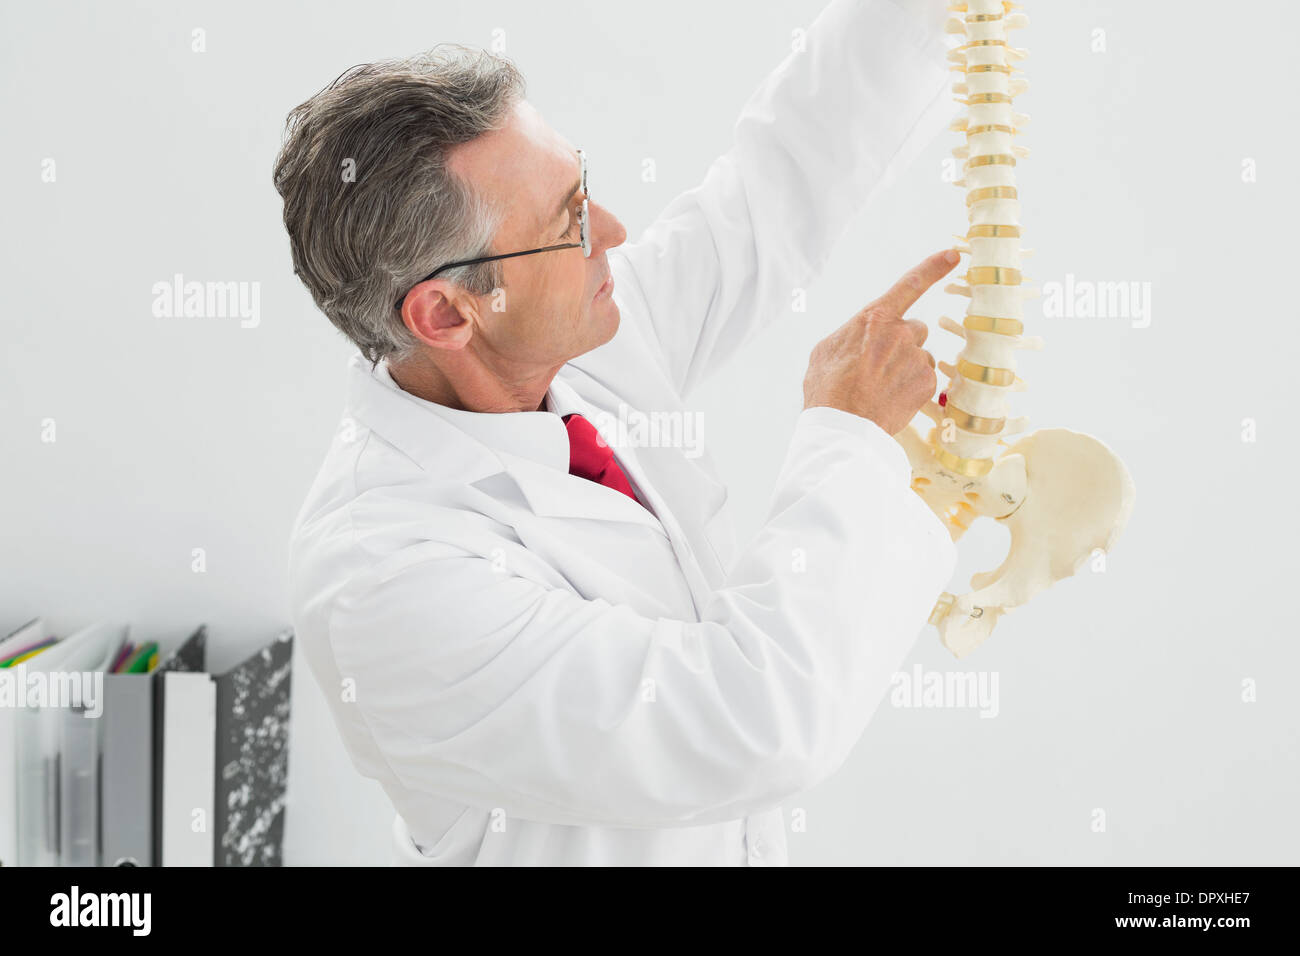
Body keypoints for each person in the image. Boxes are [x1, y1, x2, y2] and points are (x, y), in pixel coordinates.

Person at [278, 0, 959, 866]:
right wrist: (848, 435)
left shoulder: (566, 345)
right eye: (568, 222)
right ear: (448, 312)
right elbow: (753, 722)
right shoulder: (384, 580)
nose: (612, 232)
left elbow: (766, 198)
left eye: (584, 188)